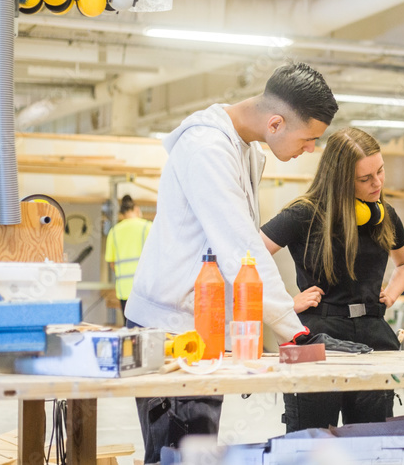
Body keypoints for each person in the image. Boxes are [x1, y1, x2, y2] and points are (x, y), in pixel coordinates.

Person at [125, 61, 354, 464]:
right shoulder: (207, 148)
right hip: (172, 329)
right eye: (309, 139)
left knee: (194, 452)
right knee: (176, 456)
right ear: (276, 123)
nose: (310, 149)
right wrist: (295, 333)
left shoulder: (244, 149)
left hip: (203, 325)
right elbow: (241, 250)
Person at [262, 127, 404, 430]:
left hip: (374, 336)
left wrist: (391, 293)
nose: (377, 183)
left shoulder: (383, 215)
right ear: (340, 179)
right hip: (318, 338)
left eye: (380, 171)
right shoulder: (304, 214)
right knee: (312, 441)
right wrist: (284, 305)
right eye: (365, 178)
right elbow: (248, 256)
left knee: (372, 441)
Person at [104, 194, 152, 314]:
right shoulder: (148, 227)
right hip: (145, 289)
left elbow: (112, 264)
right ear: (137, 209)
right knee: (146, 324)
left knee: (128, 324)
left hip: (124, 290)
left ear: (121, 214)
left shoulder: (114, 231)